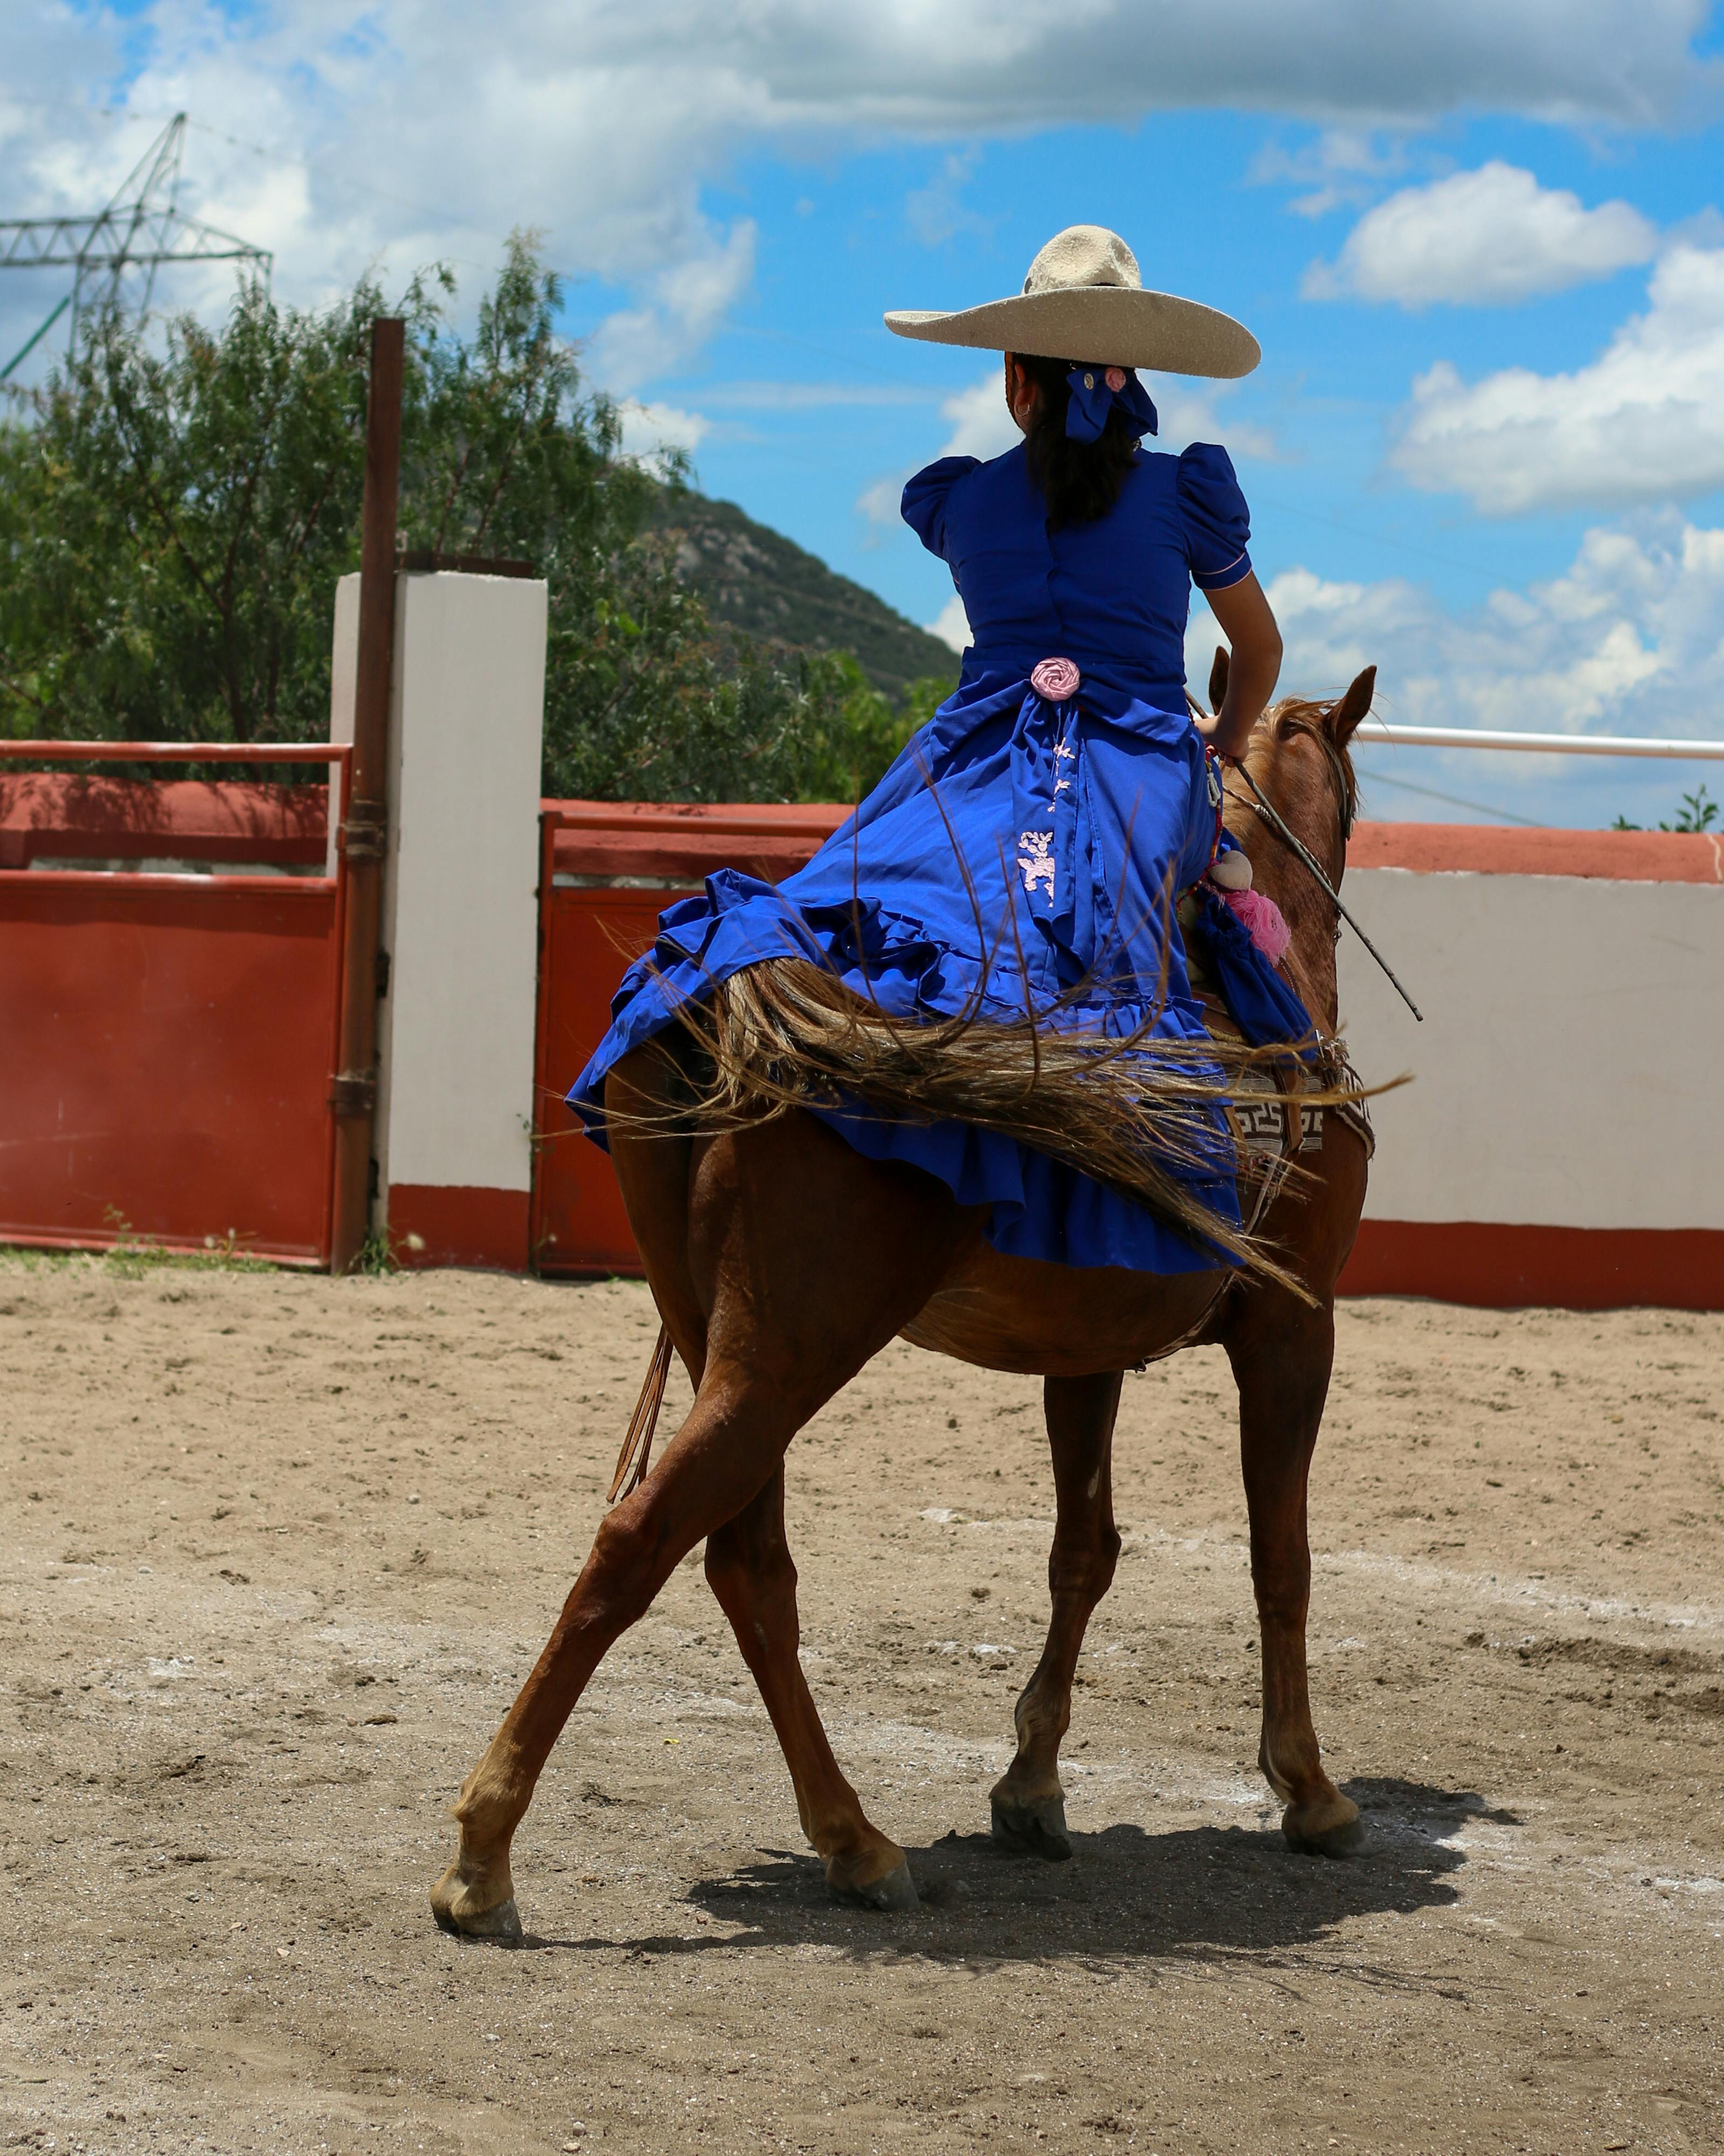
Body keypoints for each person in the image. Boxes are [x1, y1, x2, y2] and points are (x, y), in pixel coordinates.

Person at [570, 225, 1306, 1275]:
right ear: (1128, 377)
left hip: (970, 753)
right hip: (1138, 754)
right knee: (1138, 904)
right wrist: (1223, 741)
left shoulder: (960, 499)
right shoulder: (1181, 493)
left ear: (1016, 383)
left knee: (869, 884)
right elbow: (1259, 647)